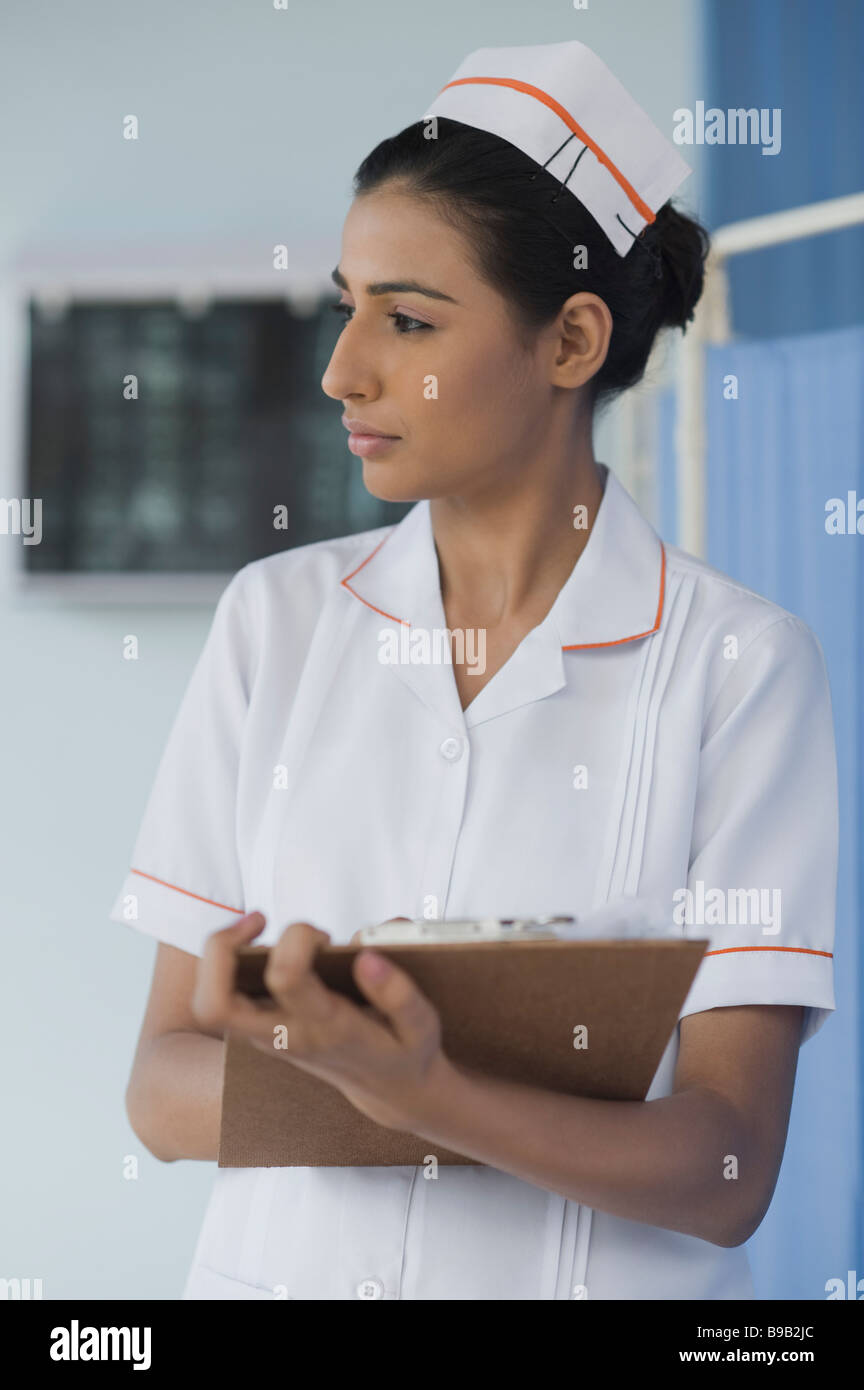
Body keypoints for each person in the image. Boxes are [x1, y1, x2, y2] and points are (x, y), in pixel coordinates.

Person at [111, 40, 837, 1300]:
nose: (344, 369)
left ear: (570, 340)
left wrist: (418, 1085)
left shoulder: (737, 668)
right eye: (347, 306)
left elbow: (727, 1173)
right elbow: (161, 1092)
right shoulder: (275, 623)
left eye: (407, 318)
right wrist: (407, 1088)